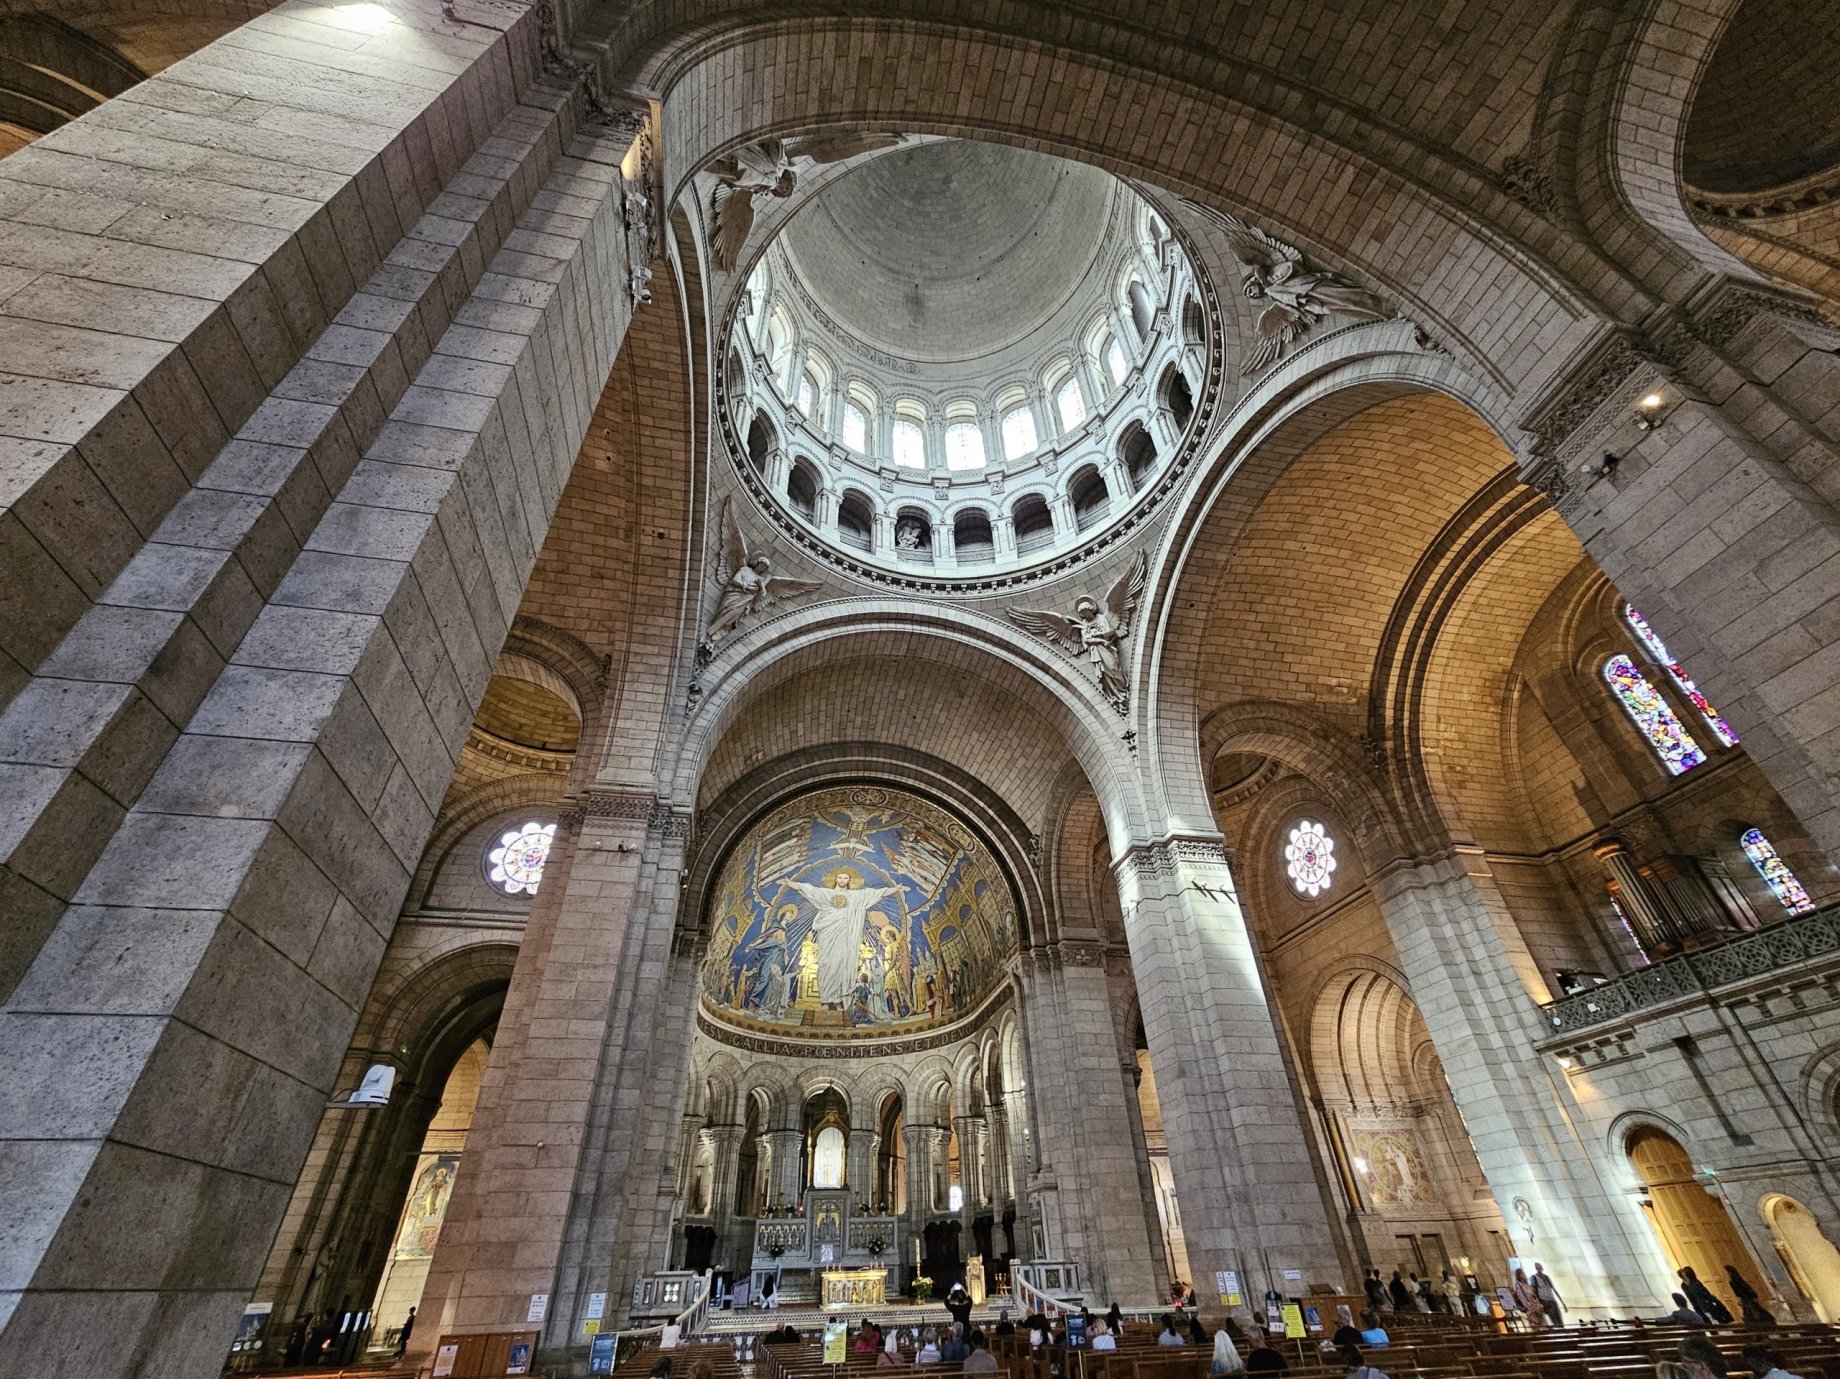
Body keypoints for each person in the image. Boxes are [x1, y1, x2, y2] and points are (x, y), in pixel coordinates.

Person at [1531, 1263, 1564, 1328]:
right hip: (1545, 1300)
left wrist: (1562, 1302)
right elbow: (1534, 1291)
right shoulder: (1534, 1278)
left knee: (1559, 1319)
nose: (1539, 1269)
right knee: (1553, 1319)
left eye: (1540, 1267)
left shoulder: (1546, 1277)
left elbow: (1553, 1289)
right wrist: (1539, 1303)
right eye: (1537, 1268)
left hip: (1552, 1299)